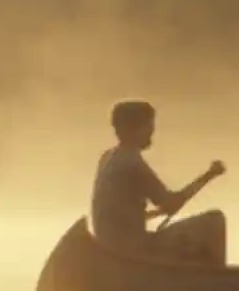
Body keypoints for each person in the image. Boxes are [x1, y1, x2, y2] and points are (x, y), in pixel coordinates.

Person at [90, 100, 227, 265]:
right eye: (148, 126)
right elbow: (171, 204)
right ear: (135, 129)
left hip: (110, 245)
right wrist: (209, 175)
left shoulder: (107, 158)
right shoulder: (132, 163)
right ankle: (215, 277)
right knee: (214, 221)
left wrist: (156, 213)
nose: (152, 131)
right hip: (134, 250)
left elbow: (120, 215)